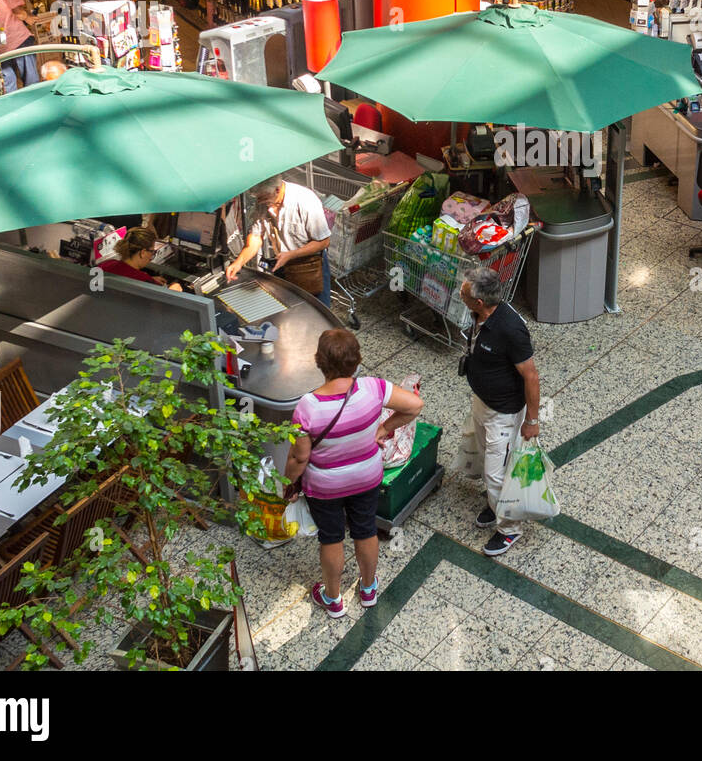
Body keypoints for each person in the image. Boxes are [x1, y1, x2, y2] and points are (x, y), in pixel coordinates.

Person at [286, 329, 424, 618]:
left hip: (325, 486)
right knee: (365, 529)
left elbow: (300, 456)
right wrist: (385, 428)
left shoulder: (306, 407)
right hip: (366, 477)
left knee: (332, 537)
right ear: (357, 360)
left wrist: (289, 483)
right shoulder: (373, 388)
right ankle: (368, 589)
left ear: (318, 361)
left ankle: (333, 599)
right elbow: (415, 404)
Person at [456, 266, 542, 557]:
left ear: (480, 301)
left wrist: (531, 420)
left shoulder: (511, 329)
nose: (460, 293)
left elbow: (531, 376)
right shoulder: (479, 315)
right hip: (483, 403)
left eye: (464, 292)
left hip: (503, 414)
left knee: (495, 474)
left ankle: (509, 529)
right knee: (485, 461)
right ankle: (496, 508)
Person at [226, 176, 332, 303]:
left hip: (309, 265)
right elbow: (256, 236)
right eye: (257, 198)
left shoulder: (305, 200)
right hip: (281, 263)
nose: (259, 202)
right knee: (287, 307)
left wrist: (291, 255)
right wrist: (239, 262)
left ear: (277, 190)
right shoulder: (263, 203)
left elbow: (323, 241)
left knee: (317, 309)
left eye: (263, 197)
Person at [95, 226, 183, 291]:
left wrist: (150, 279)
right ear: (143, 252)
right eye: (152, 251)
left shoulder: (106, 264)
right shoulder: (144, 282)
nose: (151, 256)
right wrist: (174, 289)